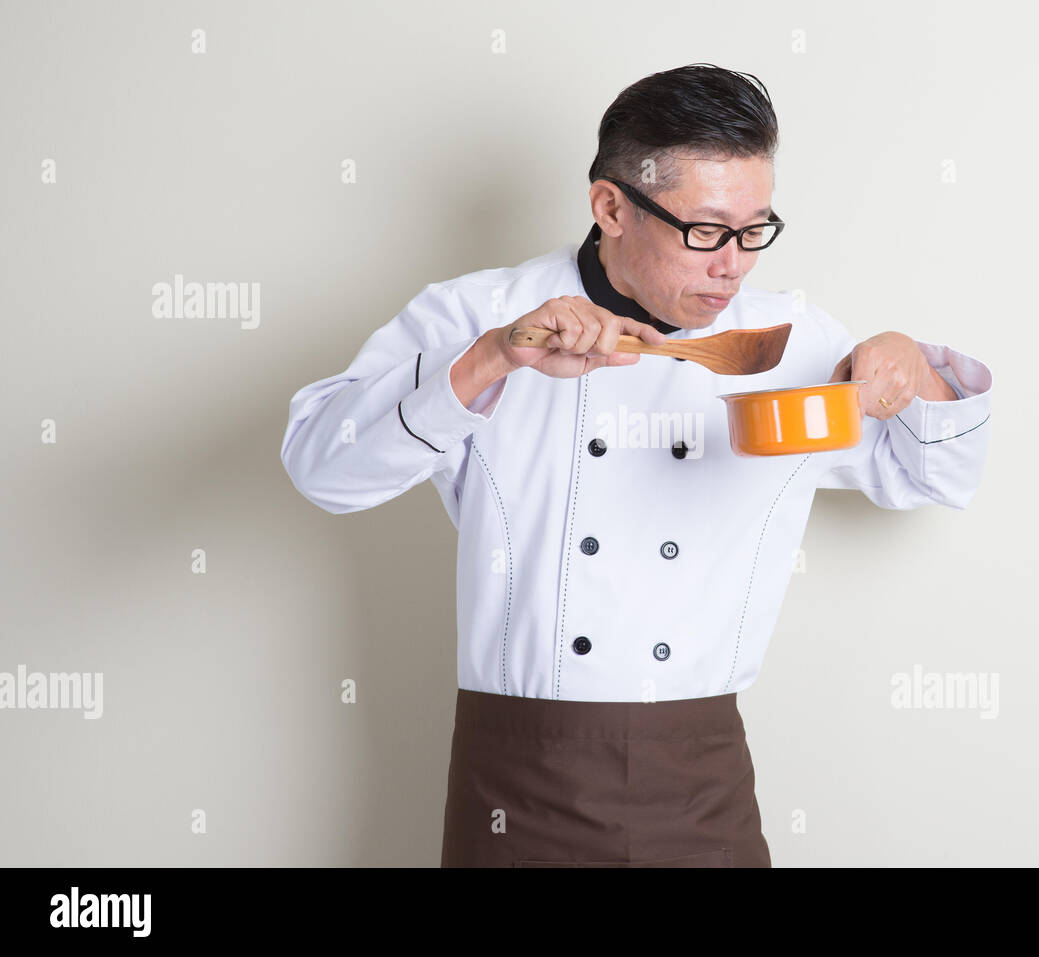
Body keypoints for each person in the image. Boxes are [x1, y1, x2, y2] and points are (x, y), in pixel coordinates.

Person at [280, 63, 993, 867]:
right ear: (611, 206)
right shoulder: (478, 315)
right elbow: (320, 468)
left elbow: (936, 473)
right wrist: (489, 360)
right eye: (706, 230)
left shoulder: (791, 344)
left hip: (702, 785)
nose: (734, 264)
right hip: (519, 781)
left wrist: (911, 367)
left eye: (755, 229)